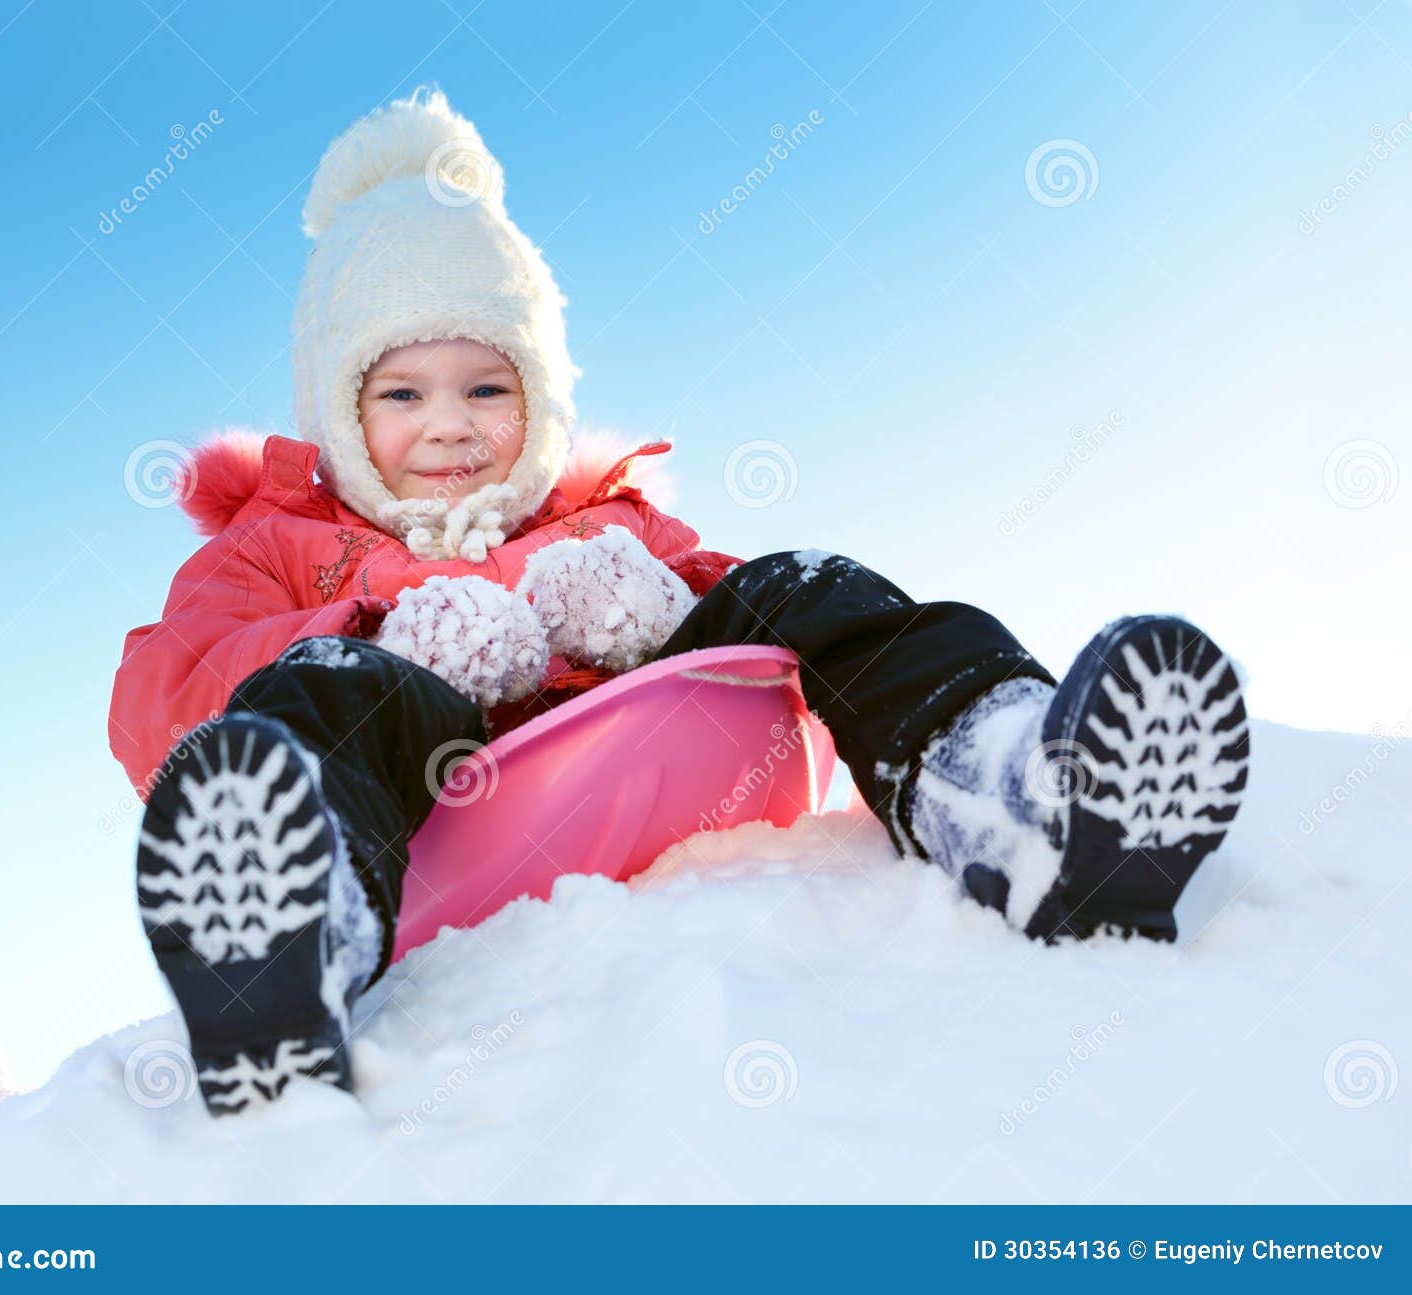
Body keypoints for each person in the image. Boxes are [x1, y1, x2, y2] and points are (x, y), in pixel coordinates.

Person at [108, 88, 1249, 1116]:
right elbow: (168, 692)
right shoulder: (281, 542)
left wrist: (650, 596)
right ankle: (287, 943)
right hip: (435, 816)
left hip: (669, 768)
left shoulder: (602, 511)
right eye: (401, 390)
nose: (448, 422)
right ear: (338, 406)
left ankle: (1012, 790)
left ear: (540, 395)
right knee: (324, 690)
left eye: (488, 386)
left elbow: (740, 618)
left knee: (804, 584)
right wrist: (379, 617)